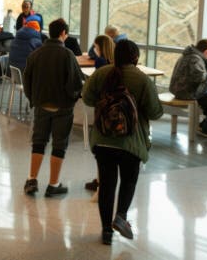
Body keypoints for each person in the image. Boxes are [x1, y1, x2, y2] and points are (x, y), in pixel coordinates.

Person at [82, 39, 163, 245]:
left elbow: (87, 98)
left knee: (107, 185)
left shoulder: (101, 74)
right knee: (129, 180)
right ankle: (121, 216)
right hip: (131, 141)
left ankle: (106, 231)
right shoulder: (142, 79)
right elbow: (155, 112)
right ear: (135, 57)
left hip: (102, 139)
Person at [22, 18, 83, 198]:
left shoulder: (36, 54)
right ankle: (53, 184)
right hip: (63, 107)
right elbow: (76, 82)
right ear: (63, 33)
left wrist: (33, 99)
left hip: (41, 104)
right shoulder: (68, 55)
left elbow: (27, 80)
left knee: (39, 142)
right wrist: (73, 98)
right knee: (59, 144)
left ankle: (32, 179)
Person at [169, 39, 207, 134]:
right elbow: (199, 77)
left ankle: (206, 122)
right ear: (206, 52)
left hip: (188, 87)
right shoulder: (195, 59)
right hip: (186, 92)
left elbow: (200, 77)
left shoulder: (191, 55)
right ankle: (206, 127)